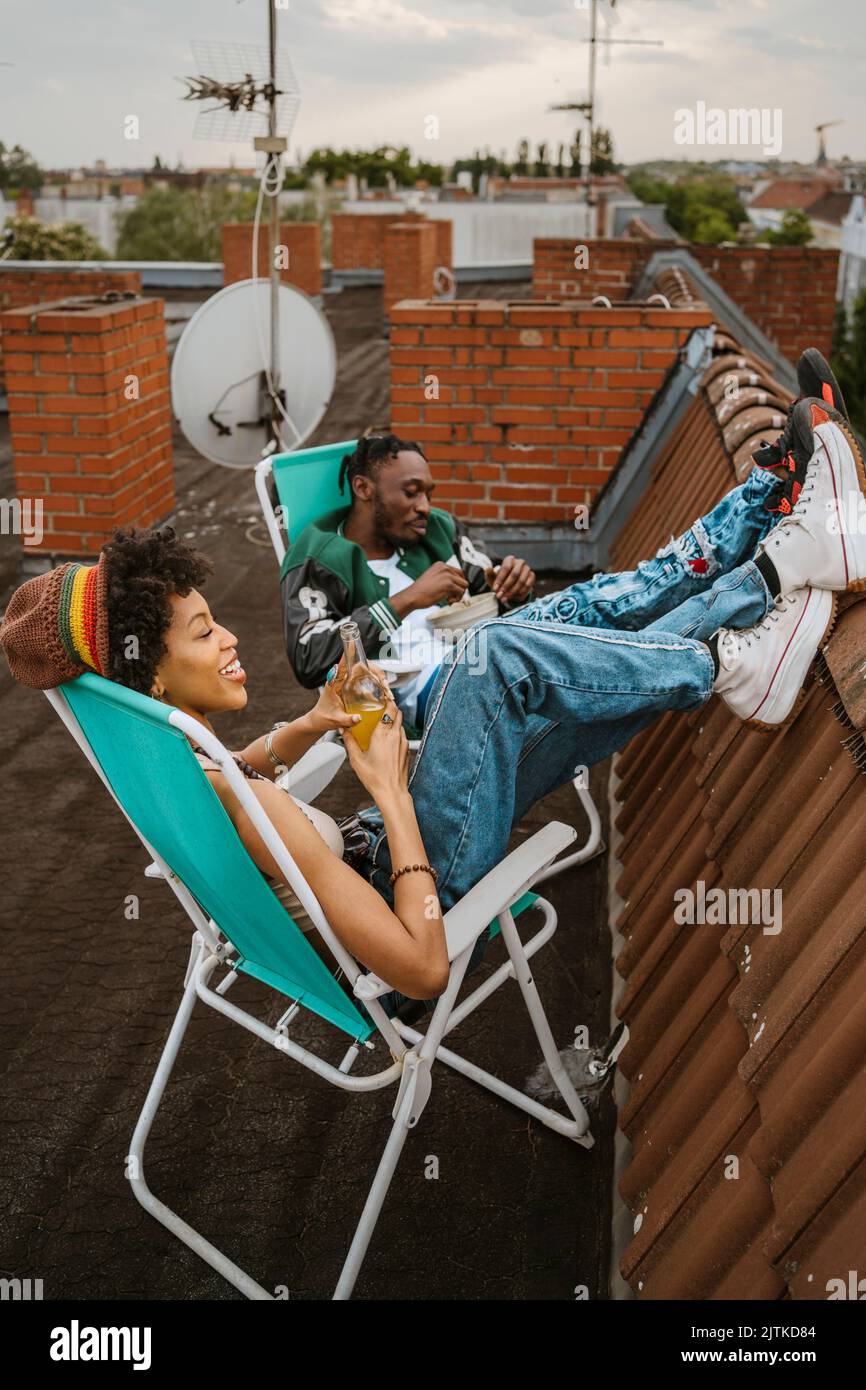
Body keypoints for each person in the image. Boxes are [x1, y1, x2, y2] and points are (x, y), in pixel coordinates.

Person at [2, 356, 860, 1022]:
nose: (230, 639)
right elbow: (420, 968)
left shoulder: (171, 757)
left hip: (402, 829)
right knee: (500, 657)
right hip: (419, 885)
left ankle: (774, 537)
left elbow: (242, 771)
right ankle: (745, 629)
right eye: (203, 633)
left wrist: (311, 725)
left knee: (589, 619)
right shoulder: (319, 565)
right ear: (151, 671)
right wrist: (388, 790)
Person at [280, 433, 537, 731]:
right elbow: (309, 659)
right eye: (411, 492)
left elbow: (497, 592)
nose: (424, 506)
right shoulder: (321, 556)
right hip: (429, 691)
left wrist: (515, 589)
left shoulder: (437, 529)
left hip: (489, 663)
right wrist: (406, 600)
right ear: (363, 488)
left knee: (587, 603)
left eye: (428, 494)